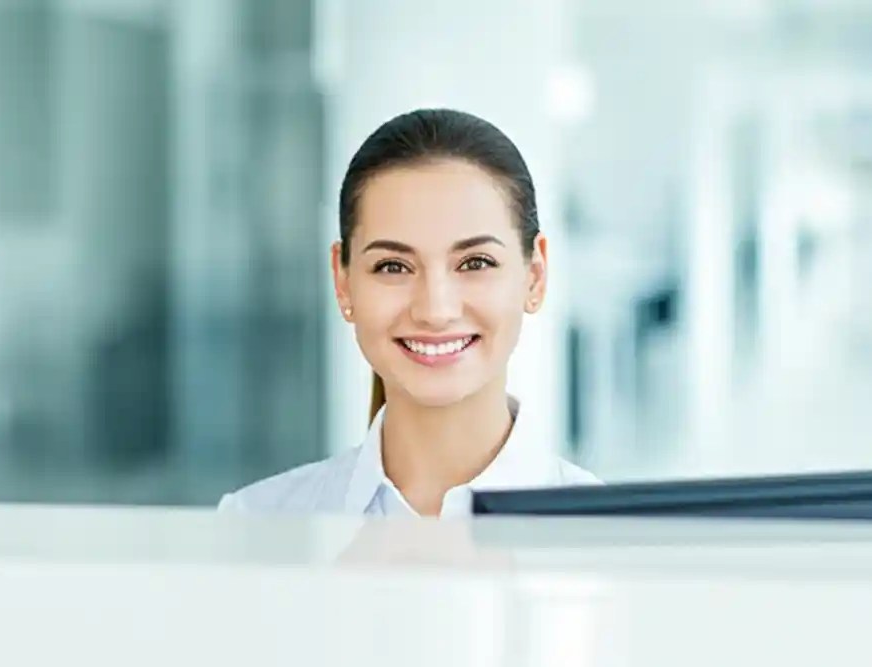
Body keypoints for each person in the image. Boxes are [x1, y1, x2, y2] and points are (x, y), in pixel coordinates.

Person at [220, 108, 600, 517]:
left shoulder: (616, 538)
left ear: (535, 276)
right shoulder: (256, 523)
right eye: (393, 266)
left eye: (475, 263)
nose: (435, 310)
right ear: (343, 281)